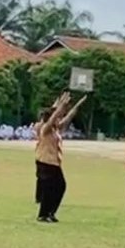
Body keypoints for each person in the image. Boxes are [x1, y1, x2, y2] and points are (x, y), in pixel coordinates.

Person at [35, 92, 87, 223]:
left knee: (60, 187)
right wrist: (62, 105)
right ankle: (43, 214)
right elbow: (54, 116)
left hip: (55, 163)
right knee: (50, 189)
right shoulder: (45, 129)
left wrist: (78, 105)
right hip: (46, 162)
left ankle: (51, 212)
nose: (59, 119)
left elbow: (68, 116)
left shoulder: (55, 129)